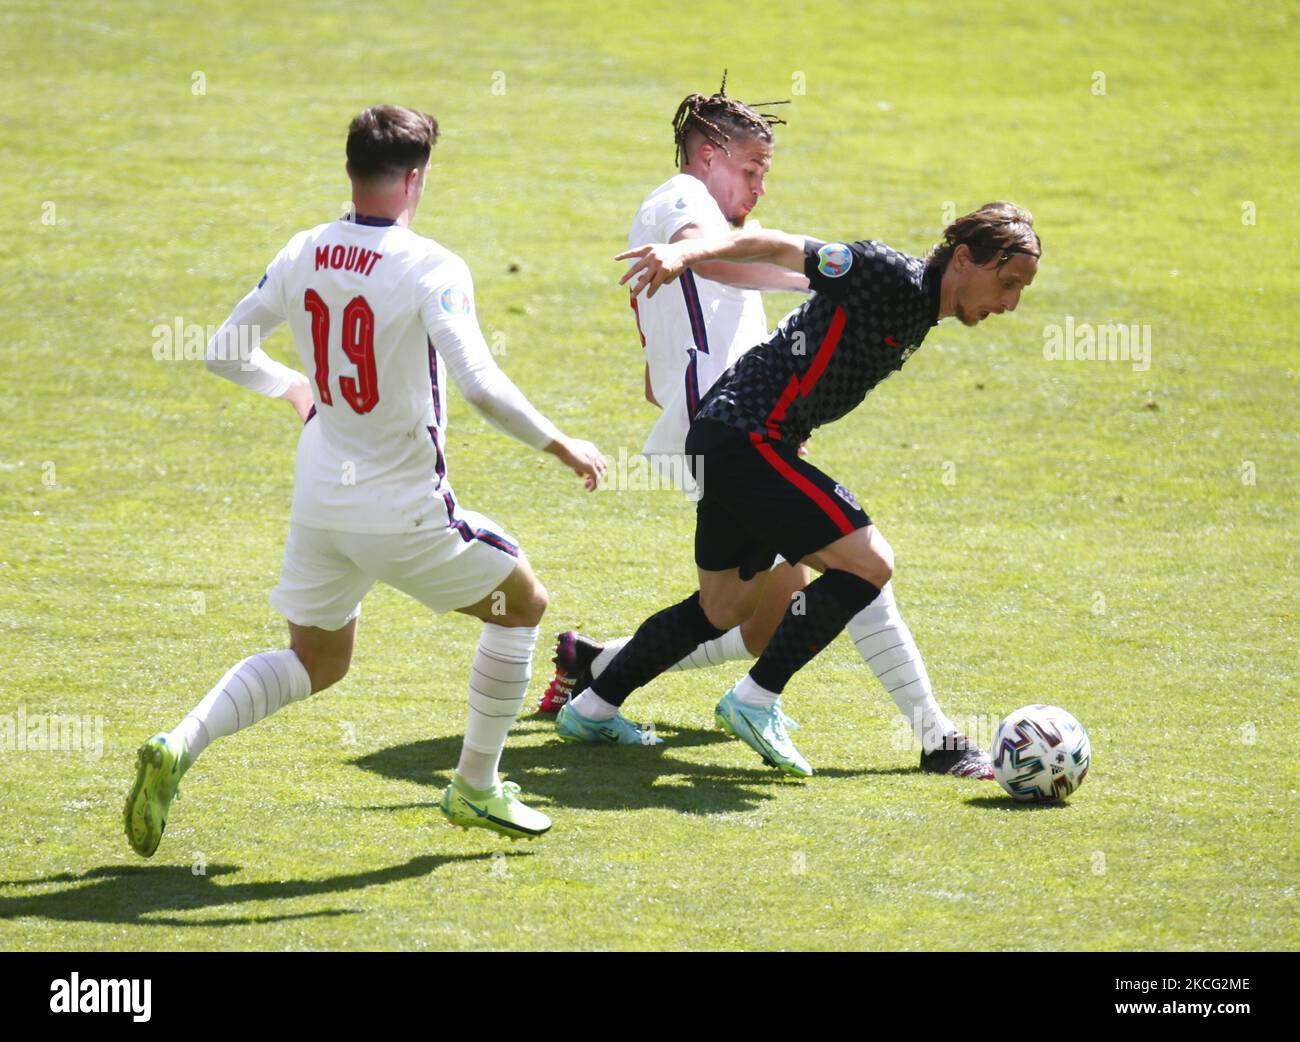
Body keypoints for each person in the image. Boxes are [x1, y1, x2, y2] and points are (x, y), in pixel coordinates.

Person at [124, 105, 606, 855]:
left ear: (350, 172)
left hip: (320, 505)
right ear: (416, 177)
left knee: (318, 661)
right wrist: (561, 443)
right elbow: (477, 384)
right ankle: (476, 787)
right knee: (522, 604)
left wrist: (292, 388)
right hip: (404, 513)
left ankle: (179, 744)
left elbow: (222, 351)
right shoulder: (431, 265)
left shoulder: (303, 249)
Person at [547, 81, 998, 778]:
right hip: (738, 430)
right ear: (707, 154)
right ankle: (939, 739)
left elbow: (664, 351)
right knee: (862, 568)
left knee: (743, 613)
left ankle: (596, 675)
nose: (758, 188)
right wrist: (816, 282)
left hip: (743, 428)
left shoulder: (691, 215)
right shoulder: (684, 201)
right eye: (751, 170)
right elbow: (710, 251)